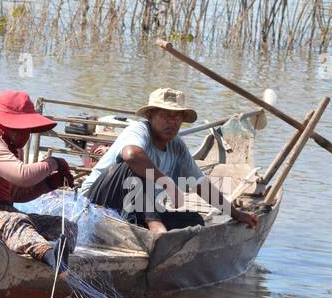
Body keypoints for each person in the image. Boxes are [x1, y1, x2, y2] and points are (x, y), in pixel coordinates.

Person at [81, 87, 259, 234]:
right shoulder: (139, 130)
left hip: (135, 208)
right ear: (151, 115)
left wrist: (236, 214)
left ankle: (147, 228)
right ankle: (154, 225)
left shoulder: (177, 146)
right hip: (97, 202)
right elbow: (131, 155)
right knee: (136, 166)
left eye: (177, 117)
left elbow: (200, 184)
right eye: (165, 116)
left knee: (194, 220)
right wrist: (167, 182)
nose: (172, 122)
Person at [0, 91, 78, 270]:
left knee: (66, 227)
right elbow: (23, 175)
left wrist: (48, 184)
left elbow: (16, 193)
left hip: (3, 212)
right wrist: (53, 163)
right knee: (15, 223)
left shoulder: (12, 148)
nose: (25, 134)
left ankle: (53, 258)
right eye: (22, 129)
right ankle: (48, 255)